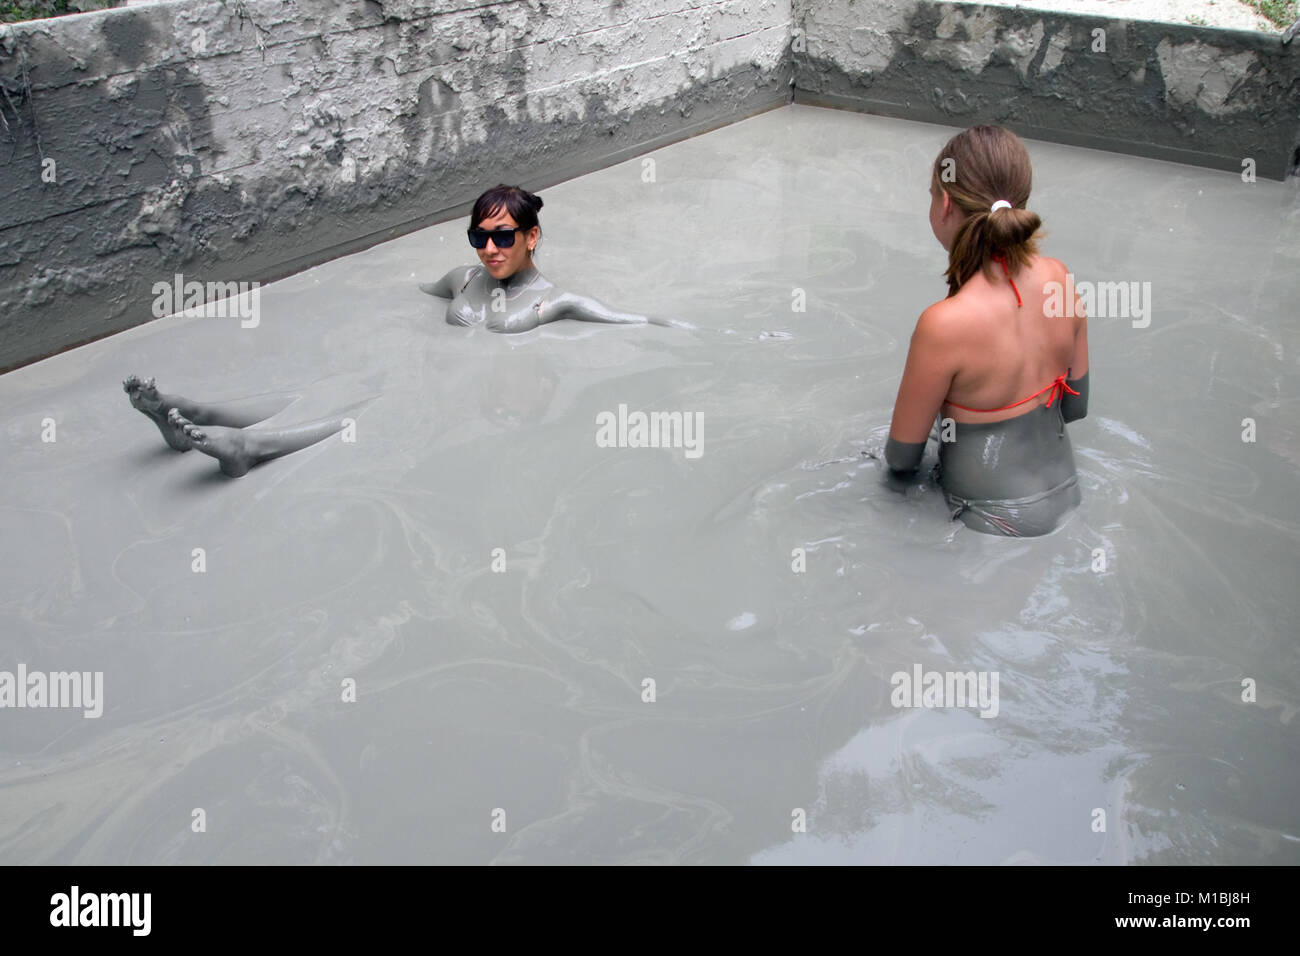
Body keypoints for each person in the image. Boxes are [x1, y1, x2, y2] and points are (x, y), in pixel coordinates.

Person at [884, 126, 1089, 536]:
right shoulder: (1060, 279)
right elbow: (1075, 408)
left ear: (944, 205)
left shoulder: (943, 324)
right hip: (1069, 496)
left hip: (987, 523)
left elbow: (902, 459)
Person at [420, 184, 688, 333]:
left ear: (532, 237)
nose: (489, 249)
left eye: (502, 237)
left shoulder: (554, 300)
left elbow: (637, 320)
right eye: (479, 237)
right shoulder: (464, 279)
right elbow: (415, 294)